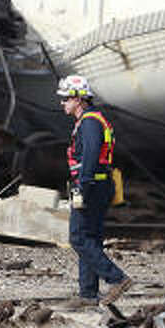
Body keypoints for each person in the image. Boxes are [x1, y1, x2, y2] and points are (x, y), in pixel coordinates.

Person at [58, 74, 131, 307]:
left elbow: (89, 156)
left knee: (78, 237)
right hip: (97, 184)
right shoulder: (92, 120)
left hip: (91, 184)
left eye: (66, 98)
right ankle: (88, 294)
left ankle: (117, 278)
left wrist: (82, 188)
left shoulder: (89, 123)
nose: (62, 103)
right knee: (90, 238)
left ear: (79, 99)